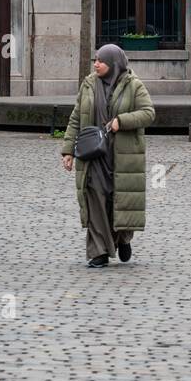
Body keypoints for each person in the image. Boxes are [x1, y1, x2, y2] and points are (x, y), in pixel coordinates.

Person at [61, 44, 155, 268]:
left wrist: (121, 121)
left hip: (122, 155)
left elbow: (148, 113)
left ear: (114, 64)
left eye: (100, 61)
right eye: (95, 60)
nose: (96, 64)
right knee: (95, 200)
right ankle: (99, 252)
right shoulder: (88, 85)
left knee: (119, 200)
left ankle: (123, 238)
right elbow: (76, 118)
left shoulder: (134, 85)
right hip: (93, 154)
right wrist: (68, 150)